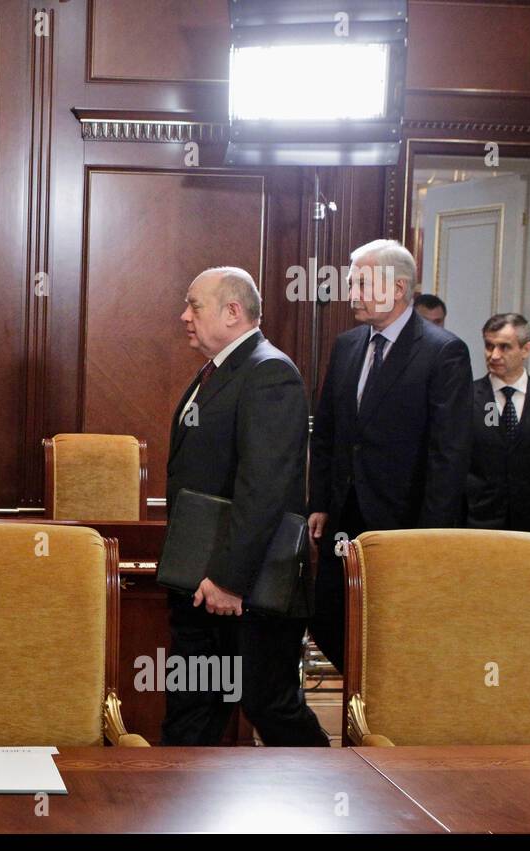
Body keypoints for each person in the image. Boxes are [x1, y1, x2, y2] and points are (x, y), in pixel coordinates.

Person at [160, 267, 327, 746]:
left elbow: (265, 489)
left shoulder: (269, 371)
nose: (184, 316)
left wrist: (229, 580)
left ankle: (333, 806)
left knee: (270, 706)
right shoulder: (219, 370)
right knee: (192, 710)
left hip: (247, 590)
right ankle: (179, 814)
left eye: (194, 305)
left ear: (232, 311)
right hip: (200, 582)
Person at [308, 240, 473, 671]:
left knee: (394, 634)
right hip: (344, 516)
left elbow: (448, 454)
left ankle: (380, 722)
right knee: (327, 620)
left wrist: (430, 536)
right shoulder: (347, 345)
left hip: (405, 521)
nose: (351, 294)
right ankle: (359, 710)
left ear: (398, 288)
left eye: (361, 283)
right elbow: (327, 432)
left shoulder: (443, 352)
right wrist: (321, 503)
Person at [467, 313, 530, 535]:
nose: (494, 355)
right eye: (489, 346)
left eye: (504, 347)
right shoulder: (466, 397)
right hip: (479, 522)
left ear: (526, 349)